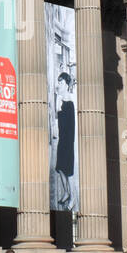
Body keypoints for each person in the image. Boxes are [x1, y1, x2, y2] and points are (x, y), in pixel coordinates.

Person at [52, 72, 76, 210]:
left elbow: (70, 127)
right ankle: (66, 192)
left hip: (68, 141)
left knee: (69, 171)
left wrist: (68, 144)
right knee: (60, 168)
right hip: (62, 139)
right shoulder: (60, 100)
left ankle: (73, 198)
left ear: (66, 85)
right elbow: (57, 118)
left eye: (61, 83)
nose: (59, 85)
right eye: (58, 82)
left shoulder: (70, 102)